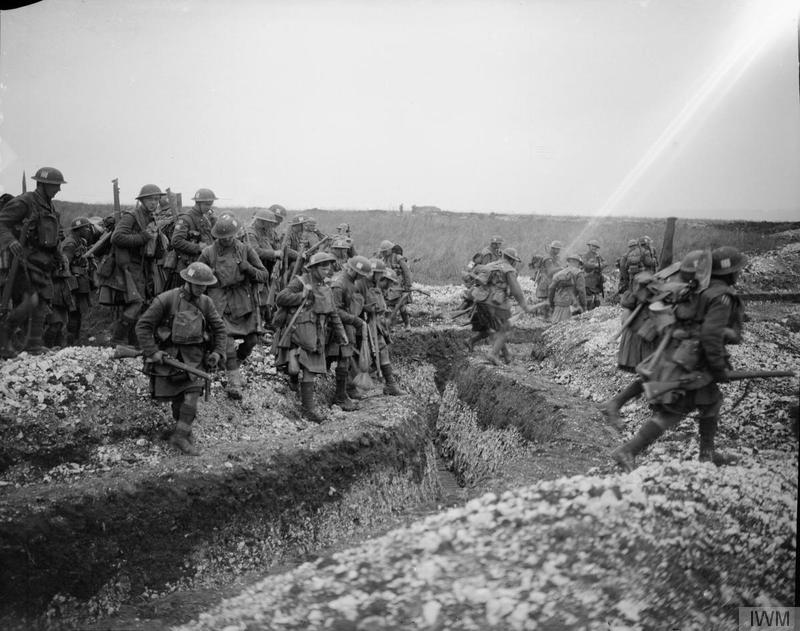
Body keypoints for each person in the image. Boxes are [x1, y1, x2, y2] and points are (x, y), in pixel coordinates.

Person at [610, 246, 745, 471]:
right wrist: (718, 367)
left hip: (687, 356)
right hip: (695, 362)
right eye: (737, 270)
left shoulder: (697, 288)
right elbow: (711, 335)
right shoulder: (720, 296)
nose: (739, 274)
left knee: (711, 402)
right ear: (730, 272)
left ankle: (707, 454)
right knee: (673, 412)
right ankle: (628, 450)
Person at [599, 250, 709, 430]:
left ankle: (618, 405)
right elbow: (669, 313)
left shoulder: (671, 277)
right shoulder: (679, 285)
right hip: (647, 331)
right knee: (657, 373)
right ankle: (645, 417)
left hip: (648, 329)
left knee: (655, 372)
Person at [135, 261, 226, 456]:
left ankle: (180, 436)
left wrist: (217, 352)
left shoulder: (206, 302)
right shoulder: (166, 299)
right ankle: (182, 430)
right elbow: (143, 326)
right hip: (169, 359)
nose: (202, 289)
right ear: (188, 282)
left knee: (192, 396)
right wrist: (152, 352)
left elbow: (219, 328)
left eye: (205, 286)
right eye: (198, 285)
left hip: (195, 359)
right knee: (178, 401)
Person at [198, 213, 269, 400]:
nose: (227, 240)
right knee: (226, 343)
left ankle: (234, 364)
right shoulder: (208, 253)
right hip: (219, 301)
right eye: (223, 237)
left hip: (242, 302)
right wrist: (208, 275)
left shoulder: (245, 250)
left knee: (252, 340)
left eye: (230, 236)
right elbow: (196, 276)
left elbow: (264, 275)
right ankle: (234, 383)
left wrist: (249, 269)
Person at [273, 251, 348, 423]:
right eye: (323, 268)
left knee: (310, 371)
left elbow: (333, 313)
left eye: (328, 268)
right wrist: (301, 296)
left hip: (317, 335)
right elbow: (281, 298)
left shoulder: (326, 287)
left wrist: (341, 333)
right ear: (313, 268)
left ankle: (309, 409)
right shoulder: (300, 282)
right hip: (298, 333)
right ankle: (293, 373)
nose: (326, 271)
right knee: (294, 369)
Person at [0, 167, 67, 356]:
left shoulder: (49, 206)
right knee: (31, 301)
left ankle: (34, 345)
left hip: (42, 262)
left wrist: (60, 256)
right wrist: (10, 240)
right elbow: (1, 222)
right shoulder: (25, 202)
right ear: (42, 184)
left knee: (42, 302)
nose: (58, 189)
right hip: (22, 262)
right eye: (55, 185)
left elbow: (52, 236)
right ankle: (3, 339)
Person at [98, 184, 168, 347]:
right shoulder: (132, 216)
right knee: (136, 302)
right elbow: (117, 237)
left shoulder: (151, 218)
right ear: (142, 200)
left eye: (156, 199)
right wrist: (143, 237)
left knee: (141, 304)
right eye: (150, 199)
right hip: (128, 266)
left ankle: (134, 344)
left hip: (143, 267)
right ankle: (117, 339)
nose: (154, 203)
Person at [468, 247, 536, 364]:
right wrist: (524, 306)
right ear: (513, 260)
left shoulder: (490, 265)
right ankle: (493, 354)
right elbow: (516, 290)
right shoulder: (509, 270)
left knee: (498, 328)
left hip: (480, 300)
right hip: (495, 303)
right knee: (505, 329)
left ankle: (506, 356)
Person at [328, 255, 370, 408]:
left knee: (346, 358)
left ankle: (345, 391)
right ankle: (340, 397)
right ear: (353, 271)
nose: (361, 278)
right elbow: (335, 311)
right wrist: (355, 320)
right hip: (336, 327)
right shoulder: (339, 284)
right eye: (360, 274)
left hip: (346, 325)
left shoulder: (350, 282)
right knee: (343, 359)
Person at [363, 258, 403, 395]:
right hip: (366, 325)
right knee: (367, 355)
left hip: (377, 325)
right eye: (389, 282)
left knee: (382, 350)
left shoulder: (377, 288)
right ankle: (354, 385)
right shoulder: (363, 286)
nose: (390, 285)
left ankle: (390, 383)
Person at [167, 188, 216, 289]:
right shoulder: (185, 219)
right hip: (186, 267)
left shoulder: (205, 219)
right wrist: (198, 247)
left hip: (201, 266)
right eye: (207, 204)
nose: (209, 207)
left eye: (210, 204)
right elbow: (176, 241)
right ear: (198, 203)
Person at [60, 216, 96, 345]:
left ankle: (75, 340)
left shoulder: (81, 241)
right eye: (86, 228)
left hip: (81, 282)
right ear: (78, 229)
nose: (88, 230)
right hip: (73, 284)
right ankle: (70, 342)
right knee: (73, 312)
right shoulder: (70, 244)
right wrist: (70, 285)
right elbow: (65, 266)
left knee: (79, 312)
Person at [378, 239, 412, 331]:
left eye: (385, 251)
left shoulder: (398, 258)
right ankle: (392, 326)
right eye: (383, 252)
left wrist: (408, 285)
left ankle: (407, 324)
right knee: (390, 307)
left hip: (399, 286)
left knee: (402, 306)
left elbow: (407, 272)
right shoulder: (383, 260)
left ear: (390, 250)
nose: (384, 253)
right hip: (389, 287)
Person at [548, 253, 587, 322]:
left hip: (558, 305)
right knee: (570, 326)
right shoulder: (579, 273)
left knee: (555, 326)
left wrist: (551, 304)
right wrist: (584, 306)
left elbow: (551, 289)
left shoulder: (558, 274)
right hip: (572, 306)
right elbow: (581, 291)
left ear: (568, 262)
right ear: (578, 263)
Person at [532, 240, 564, 319]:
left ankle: (547, 318)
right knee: (546, 302)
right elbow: (550, 271)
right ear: (552, 249)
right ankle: (544, 318)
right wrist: (561, 268)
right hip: (545, 282)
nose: (558, 251)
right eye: (556, 249)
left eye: (559, 249)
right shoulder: (548, 258)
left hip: (551, 282)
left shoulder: (555, 258)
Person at [582, 239, 605, 310]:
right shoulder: (586, 255)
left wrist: (602, 265)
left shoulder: (598, 255)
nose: (594, 248)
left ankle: (596, 310)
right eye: (593, 246)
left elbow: (605, 262)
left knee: (597, 296)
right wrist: (595, 265)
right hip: (588, 278)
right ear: (589, 246)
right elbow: (585, 264)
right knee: (588, 296)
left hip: (597, 278)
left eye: (596, 247)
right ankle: (588, 311)